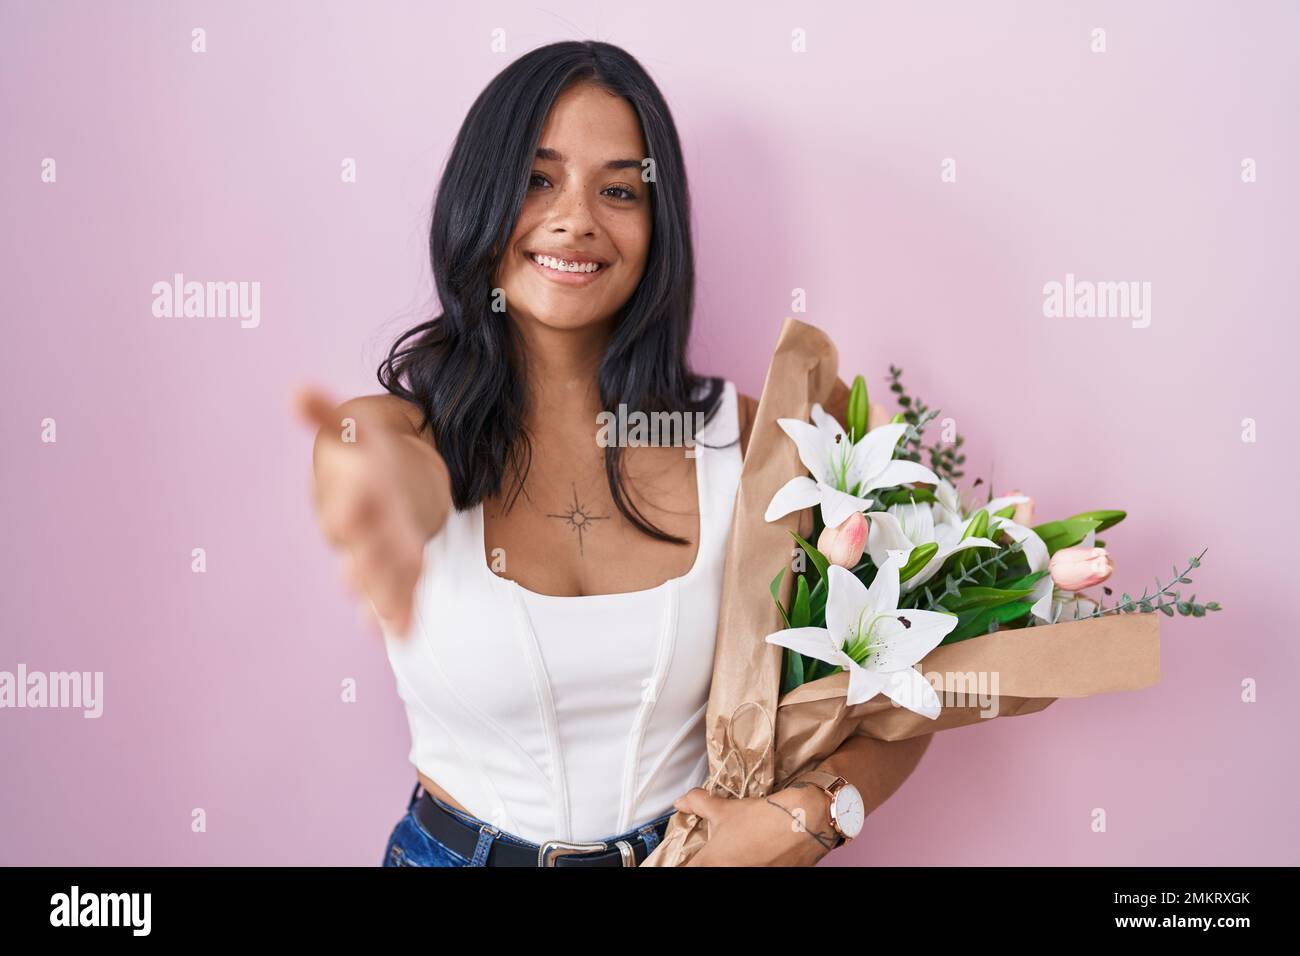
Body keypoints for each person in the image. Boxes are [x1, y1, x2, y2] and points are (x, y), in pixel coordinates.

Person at [297, 40, 926, 867]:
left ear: (657, 225)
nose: (577, 217)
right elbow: (388, 481)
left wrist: (811, 816)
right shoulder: (398, 438)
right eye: (537, 178)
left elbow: (905, 690)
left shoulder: (756, 442)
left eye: (620, 189)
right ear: (479, 196)